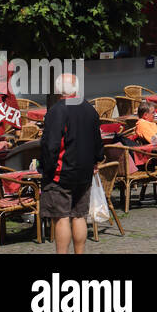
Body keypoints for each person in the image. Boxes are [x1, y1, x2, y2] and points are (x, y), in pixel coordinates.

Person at [39, 73, 104, 255]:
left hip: (61, 173)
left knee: (61, 217)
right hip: (84, 173)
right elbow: (98, 143)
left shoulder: (57, 110)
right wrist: (96, 160)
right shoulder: (89, 109)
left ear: (59, 90)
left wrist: (46, 169)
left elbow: (50, 145)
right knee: (79, 216)